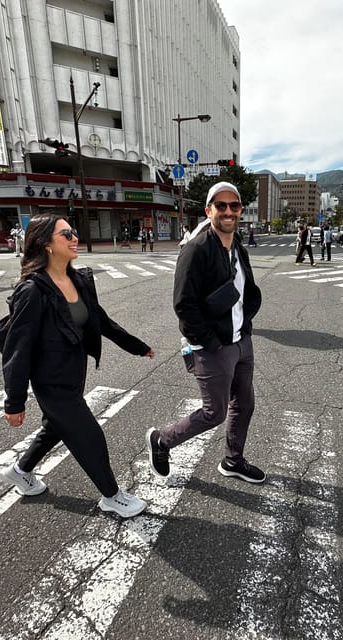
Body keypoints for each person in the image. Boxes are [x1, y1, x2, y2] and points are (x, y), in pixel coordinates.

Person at [1, 213, 155, 518]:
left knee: (55, 428)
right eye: (66, 234)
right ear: (46, 244)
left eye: (73, 232)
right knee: (88, 435)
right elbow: (17, 348)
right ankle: (112, 496)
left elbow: (101, 321)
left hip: (73, 374)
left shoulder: (78, 280)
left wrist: (137, 346)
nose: (74, 238)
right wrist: (14, 402)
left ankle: (20, 471)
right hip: (50, 381)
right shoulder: (32, 291)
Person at [146, 181, 265, 484]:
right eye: (220, 205)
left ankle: (233, 460)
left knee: (244, 404)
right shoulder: (196, 250)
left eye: (234, 206)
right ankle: (162, 440)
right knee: (214, 413)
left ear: (241, 211)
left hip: (241, 341)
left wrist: (245, 327)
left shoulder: (238, 249)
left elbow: (246, 292)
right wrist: (210, 342)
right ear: (209, 210)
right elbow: (183, 305)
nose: (228, 211)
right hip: (213, 346)